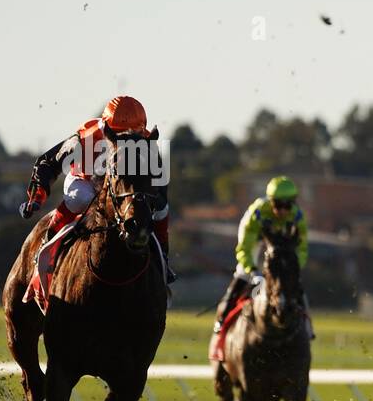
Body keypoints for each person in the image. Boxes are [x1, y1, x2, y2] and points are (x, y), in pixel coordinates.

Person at [20, 95, 173, 281]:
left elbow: (159, 185)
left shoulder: (148, 143)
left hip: (122, 189)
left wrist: (155, 201)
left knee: (161, 209)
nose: (126, 142)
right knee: (81, 198)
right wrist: (37, 198)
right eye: (120, 135)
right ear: (106, 128)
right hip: (85, 180)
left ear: (141, 131)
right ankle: (48, 243)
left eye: (132, 135)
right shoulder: (85, 138)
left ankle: (163, 258)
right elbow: (48, 162)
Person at [210, 175, 309, 350]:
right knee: (242, 275)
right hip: (255, 241)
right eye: (278, 204)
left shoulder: (297, 216)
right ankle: (222, 321)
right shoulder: (257, 213)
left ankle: (307, 325)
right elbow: (244, 248)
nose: (283, 210)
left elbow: (301, 249)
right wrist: (253, 271)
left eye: (288, 205)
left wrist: (294, 269)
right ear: (270, 201)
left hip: (280, 248)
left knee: (294, 283)